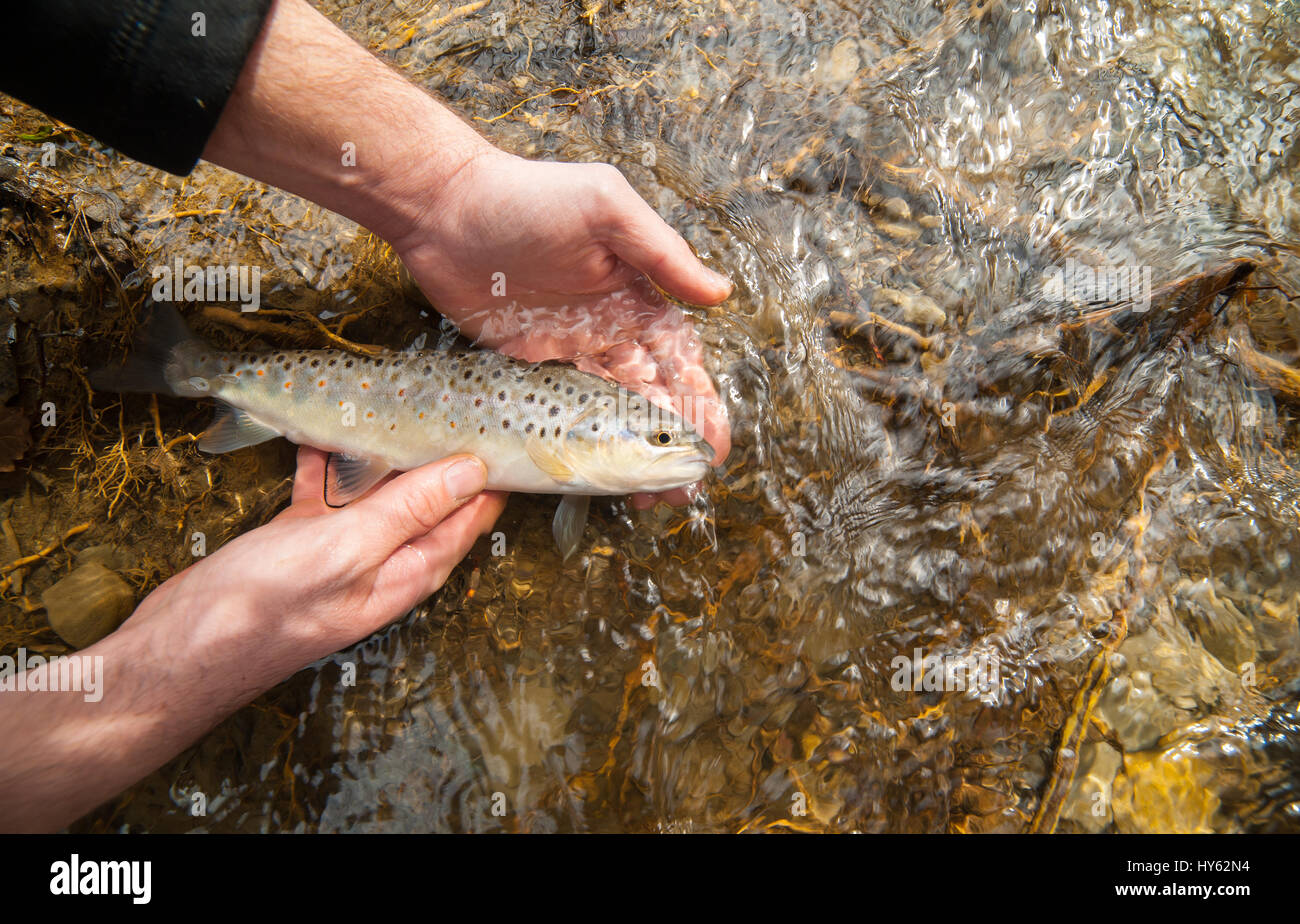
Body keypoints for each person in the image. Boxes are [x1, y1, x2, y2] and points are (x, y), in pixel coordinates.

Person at [0, 0, 731, 832]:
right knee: (247, 389)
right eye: (664, 439)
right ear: (588, 442)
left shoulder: (587, 443)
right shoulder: (575, 458)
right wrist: (179, 670)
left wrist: (447, 193)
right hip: (335, 401)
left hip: (376, 403)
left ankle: (202, 373)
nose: (682, 451)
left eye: (667, 440)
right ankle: (194, 370)